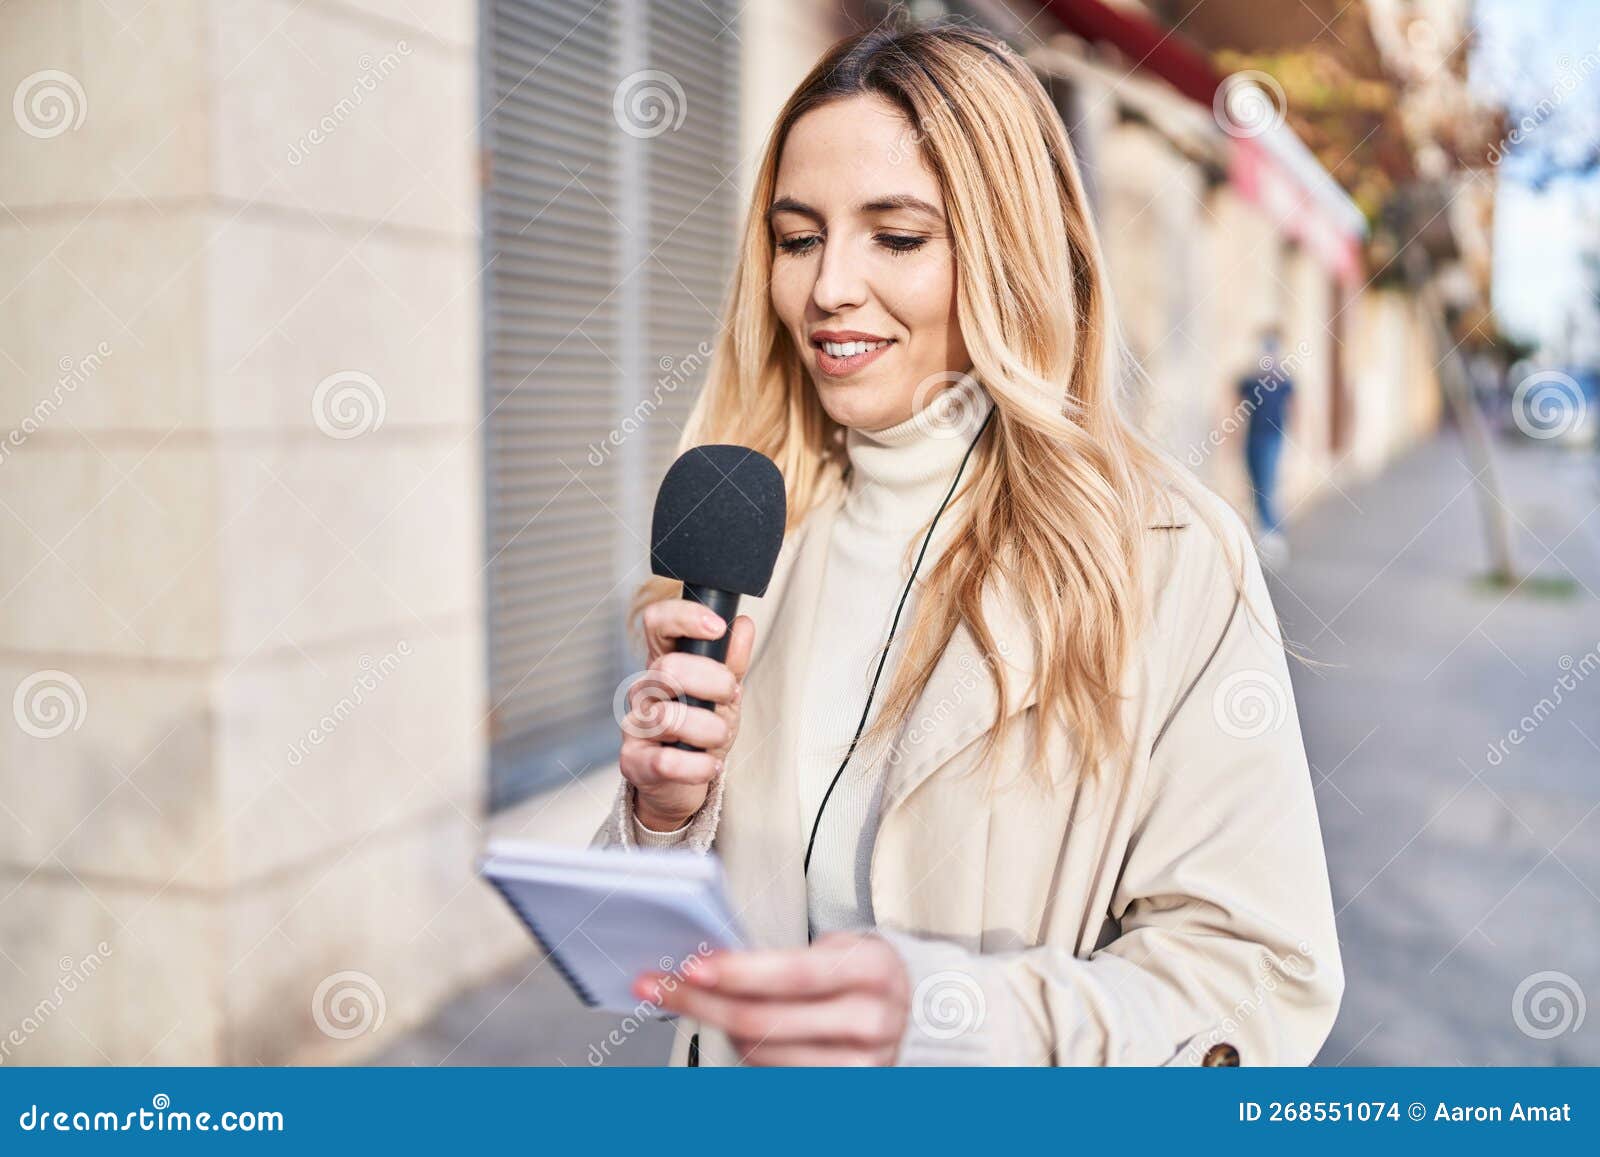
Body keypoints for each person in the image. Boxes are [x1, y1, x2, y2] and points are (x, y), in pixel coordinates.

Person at [593, 21, 1342, 1067]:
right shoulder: (759, 530)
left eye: (895, 237)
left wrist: (948, 1016)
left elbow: (1256, 982)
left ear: (1009, 252)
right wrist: (662, 817)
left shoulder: (1163, 550)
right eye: (797, 236)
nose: (827, 288)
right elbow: (650, 966)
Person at [1239, 327, 1296, 568]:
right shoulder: (1251, 381)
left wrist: (1297, 439)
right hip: (1252, 438)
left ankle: (1273, 536)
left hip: (1272, 439)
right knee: (1255, 485)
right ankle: (1265, 533)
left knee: (1267, 485)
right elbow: (1236, 408)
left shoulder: (1284, 382)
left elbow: (1295, 409)